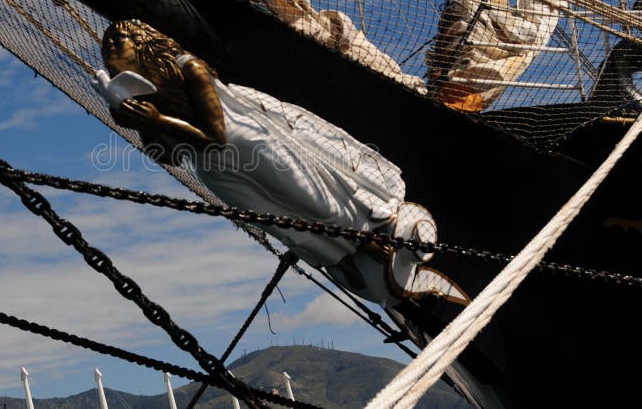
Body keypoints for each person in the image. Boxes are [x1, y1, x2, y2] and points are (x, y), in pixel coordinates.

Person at [93, 19, 468, 306]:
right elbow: (170, 154)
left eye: (117, 41)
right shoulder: (152, 90)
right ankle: (352, 260)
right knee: (288, 223)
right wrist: (136, 120)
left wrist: (155, 120)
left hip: (248, 143)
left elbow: (216, 134)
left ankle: (375, 235)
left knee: (311, 197)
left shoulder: (188, 67)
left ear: (142, 41)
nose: (109, 49)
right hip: (217, 169)